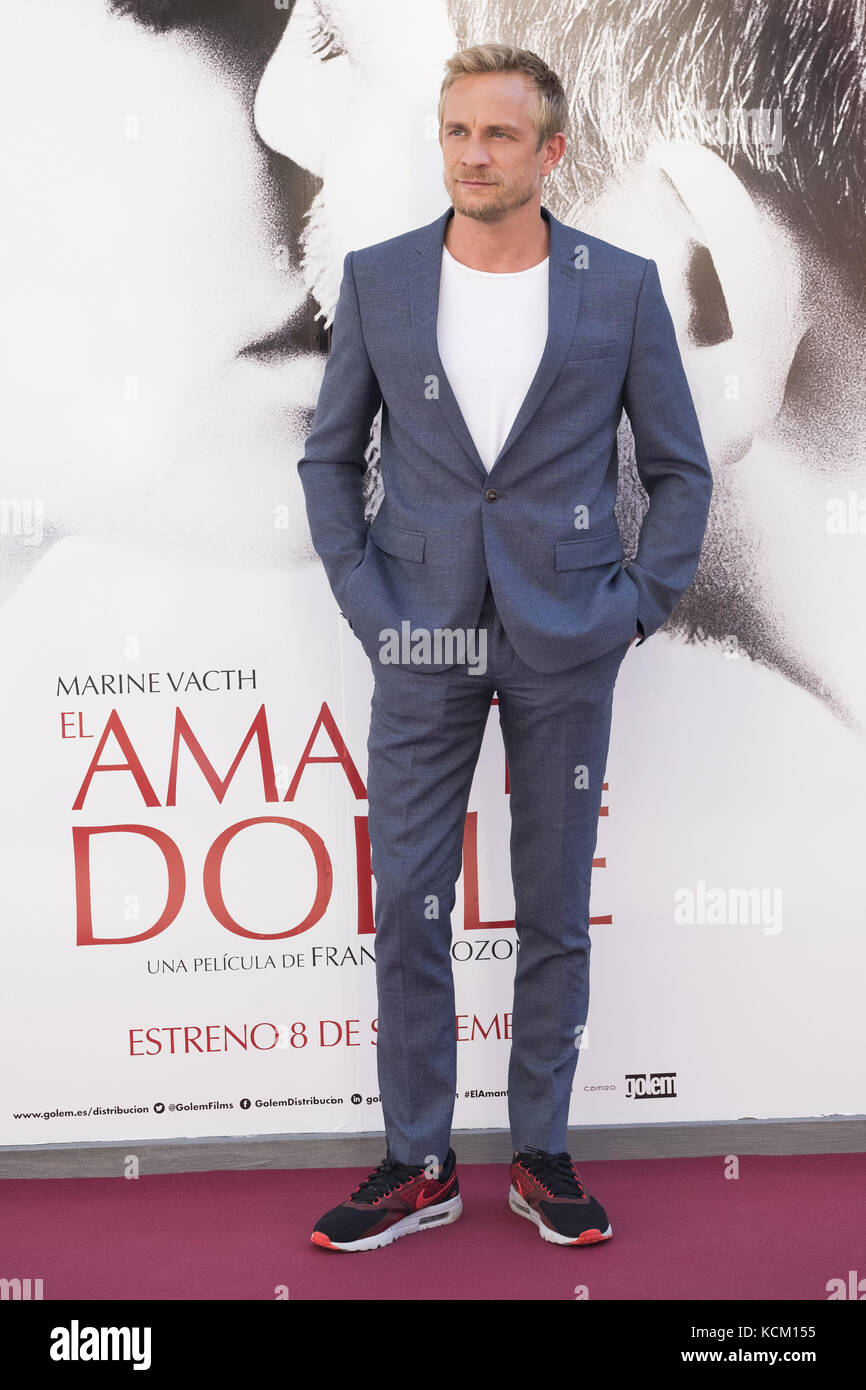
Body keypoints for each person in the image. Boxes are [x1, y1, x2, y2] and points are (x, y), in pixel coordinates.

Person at [298, 42, 712, 1252]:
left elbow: (676, 470)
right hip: (416, 635)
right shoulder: (378, 281)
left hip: (567, 633)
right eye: (455, 133)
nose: (472, 154)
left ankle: (541, 1152)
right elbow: (329, 458)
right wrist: (368, 604)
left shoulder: (618, 286)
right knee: (408, 905)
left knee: (551, 914)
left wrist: (637, 605)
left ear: (550, 149)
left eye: (497, 134)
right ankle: (415, 1162)